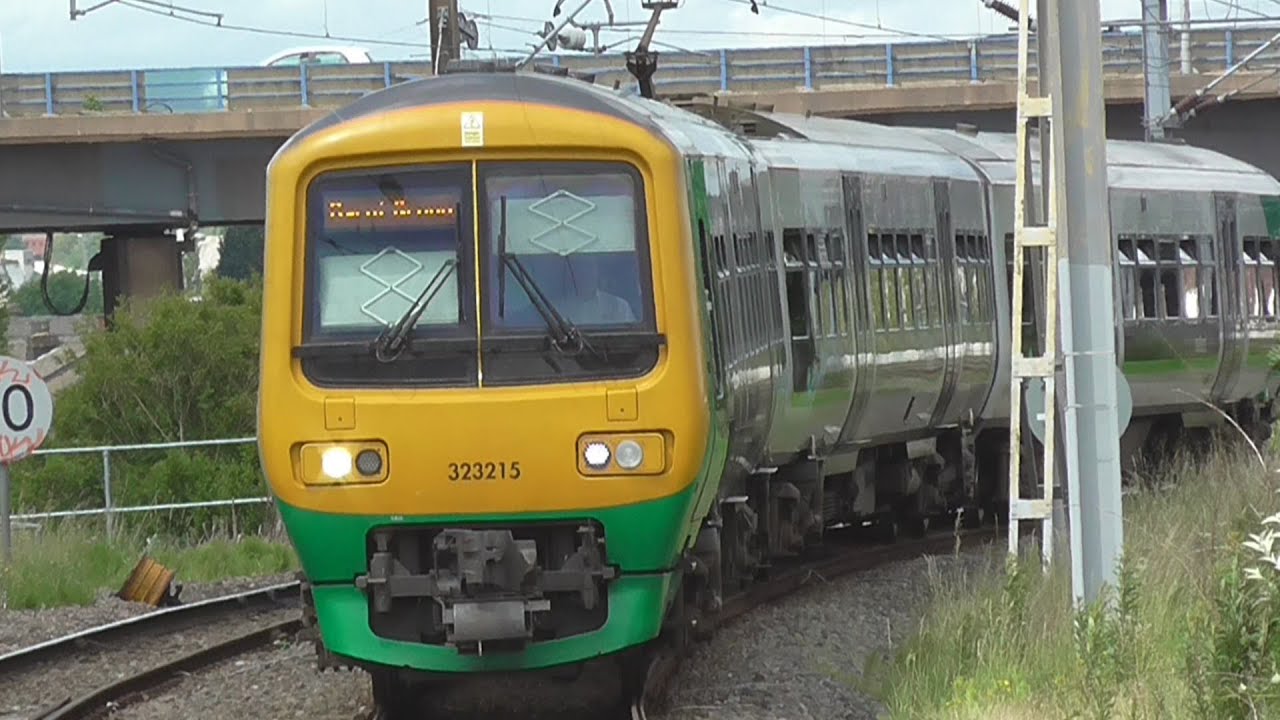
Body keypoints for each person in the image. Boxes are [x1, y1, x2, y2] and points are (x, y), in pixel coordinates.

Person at [554, 255, 635, 325]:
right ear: (573, 273)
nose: (586, 273)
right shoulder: (559, 310)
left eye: (589, 267)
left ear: (597, 271)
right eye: (581, 268)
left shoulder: (620, 307)